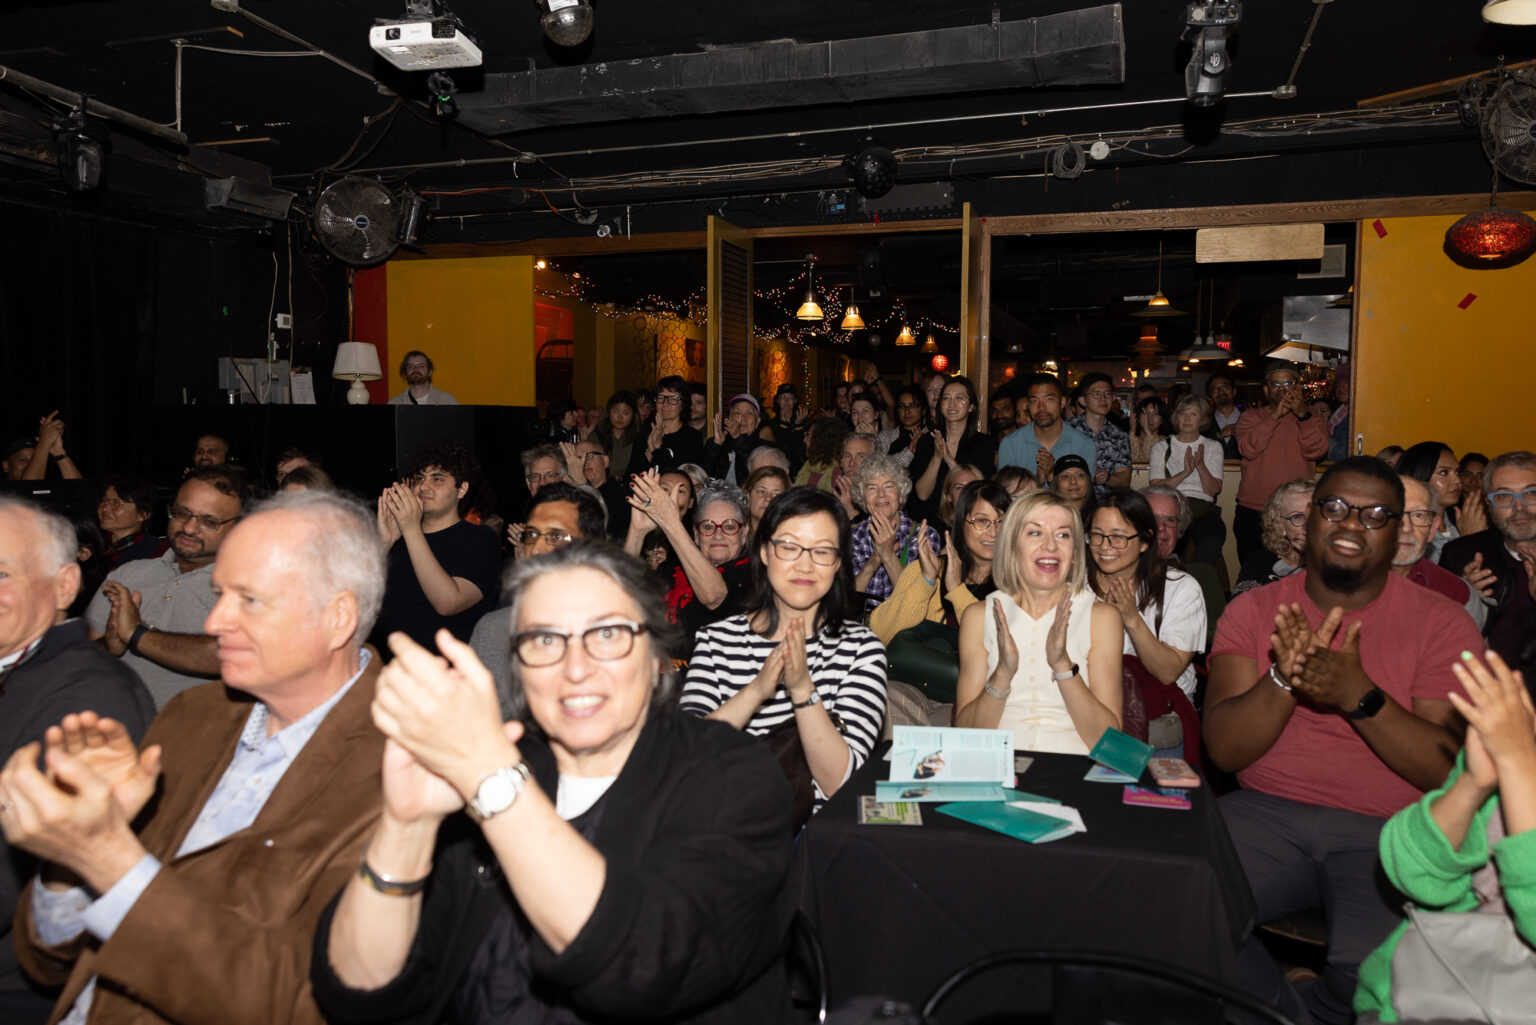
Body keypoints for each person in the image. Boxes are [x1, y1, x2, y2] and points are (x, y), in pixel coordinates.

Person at [315, 541, 794, 1025]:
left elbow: (641, 962)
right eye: (544, 640)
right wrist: (406, 825)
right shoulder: (491, 775)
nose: (576, 667)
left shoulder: (731, 773)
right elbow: (359, 992)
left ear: (655, 658)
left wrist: (492, 779)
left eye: (607, 634)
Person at [2, 490, 388, 1025]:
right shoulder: (193, 716)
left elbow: (300, 1003)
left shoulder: (399, 770)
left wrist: (108, 858)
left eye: (248, 600)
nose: (215, 623)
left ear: (338, 616)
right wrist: (70, 859)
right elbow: (47, 963)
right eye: (219, 595)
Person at [1203, 456, 1485, 1025]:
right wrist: (1285, 679)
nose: (1352, 524)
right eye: (1334, 508)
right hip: (1264, 812)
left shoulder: (1443, 622)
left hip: (1390, 827)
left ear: (1402, 529)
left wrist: (1359, 695)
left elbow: (1446, 771)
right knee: (1166, 916)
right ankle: (1285, 1004)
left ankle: (1313, 1000)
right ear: (1308, 522)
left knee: (1372, 977)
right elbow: (1226, 751)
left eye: (1376, 514)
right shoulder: (1254, 609)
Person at [0, 498, 155, 1023]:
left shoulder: (90, 696)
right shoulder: (17, 666)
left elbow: (17, 877)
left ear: (65, 586)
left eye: (1, 572)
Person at [1352, 650, 1536, 1024]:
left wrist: (1519, 767)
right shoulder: (1516, 735)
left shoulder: (1518, 754)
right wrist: (1472, 784)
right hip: (1419, 991)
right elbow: (1412, 874)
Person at [680, 488, 887, 811]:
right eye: (789, 547)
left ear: (837, 564)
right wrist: (756, 691)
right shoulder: (716, 641)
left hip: (817, 839)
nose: (805, 566)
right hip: (725, 830)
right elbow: (684, 762)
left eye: (822, 552)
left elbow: (840, 784)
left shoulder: (861, 649)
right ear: (764, 551)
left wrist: (803, 690)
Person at [954, 489, 1123, 754]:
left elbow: (1110, 744)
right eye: (1035, 533)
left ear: (1076, 552)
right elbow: (964, 736)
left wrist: (1063, 667)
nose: (1051, 546)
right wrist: (1002, 674)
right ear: (1012, 544)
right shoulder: (979, 616)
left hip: (1075, 768)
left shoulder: (1101, 617)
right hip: (996, 765)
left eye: (1063, 535)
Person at [85, 466, 255, 708]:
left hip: (186, 737)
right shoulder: (129, 572)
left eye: (209, 522)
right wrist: (109, 645)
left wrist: (136, 634)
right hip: (110, 728)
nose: (188, 528)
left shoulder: (249, 586)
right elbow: (79, 654)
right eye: (182, 513)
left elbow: (230, 654)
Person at [872, 481, 1011, 727]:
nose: (993, 531)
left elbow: (999, 650)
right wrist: (926, 580)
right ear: (961, 523)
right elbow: (879, 634)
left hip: (974, 694)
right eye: (981, 521)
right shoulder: (930, 568)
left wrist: (957, 591)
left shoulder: (1015, 586)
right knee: (889, 698)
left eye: (1001, 521)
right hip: (913, 685)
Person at [470, 482, 607, 689]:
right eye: (532, 535)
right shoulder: (493, 629)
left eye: (556, 537)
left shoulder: (615, 631)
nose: (536, 549)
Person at [373, 441, 500, 651]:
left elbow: (447, 603)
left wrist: (411, 529)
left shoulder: (480, 539)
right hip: (385, 664)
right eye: (419, 479)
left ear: (461, 489)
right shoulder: (397, 539)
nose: (424, 487)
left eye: (437, 479)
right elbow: (359, 602)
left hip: (442, 670)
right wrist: (383, 543)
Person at [1084, 491, 1206, 700]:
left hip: (1157, 711)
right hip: (1089, 701)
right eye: (1097, 535)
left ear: (1144, 542)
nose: (1105, 546)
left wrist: (1131, 618)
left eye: (1118, 537)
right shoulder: (1076, 585)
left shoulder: (1180, 589)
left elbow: (1167, 673)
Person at [1442, 451, 1536, 688]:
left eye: (1532, 494)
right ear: (1488, 504)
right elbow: (1440, 649)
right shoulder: (1461, 555)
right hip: (1484, 697)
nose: (1519, 507)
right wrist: (1464, 600)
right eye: (1504, 496)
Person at [630, 475, 753, 650]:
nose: (718, 535)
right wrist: (637, 531)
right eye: (708, 526)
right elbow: (623, 596)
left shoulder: (755, 575)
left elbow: (714, 597)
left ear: (744, 533)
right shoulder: (671, 568)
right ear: (696, 534)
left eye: (730, 526)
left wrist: (670, 522)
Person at [1233, 360, 1330, 564]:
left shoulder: (1313, 416)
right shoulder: (1251, 416)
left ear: (1298, 387)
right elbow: (1248, 449)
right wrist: (1274, 416)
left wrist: (1303, 416)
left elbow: (1317, 450)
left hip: (1298, 512)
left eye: (1287, 383)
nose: (1282, 389)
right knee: (1254, 570)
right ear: (1266, 390)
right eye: (1276, 384)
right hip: (1254, 509)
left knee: (1297, 571)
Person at [849, 453, 941, 613]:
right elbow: (847, 602)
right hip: (863, 628)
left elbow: (914, 603)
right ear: (863, 500)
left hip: (904, 631)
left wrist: (888, 554)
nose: (881, 494)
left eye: (888, 486)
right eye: (872, 488)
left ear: (901, 496)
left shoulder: (924, 536)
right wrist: (875, 559)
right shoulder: (853, 537)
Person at [1393, 475, 1485, 629]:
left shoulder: (1456, 593)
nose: (1406, 527)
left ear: (1432, 529)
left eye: (1418, 515)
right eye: (1395, 514)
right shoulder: (1344, 586)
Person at [1143, 484, 1225, 651]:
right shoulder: (1112, 575)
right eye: (1153, 519)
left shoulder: (1191, 582)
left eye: (1170, 520)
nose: (1161, 527)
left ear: (1180, 529)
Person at [1149, 395, 1227, 568]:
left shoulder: (1213, 447)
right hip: (1172, 505)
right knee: (1172, 548)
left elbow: (1213, 490)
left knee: (1212, 541)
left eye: (1193, 414)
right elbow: (1155, 487)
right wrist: (1184, 473)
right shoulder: (1162, 447)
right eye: (1183, 414)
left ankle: (1195, 581)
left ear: (1203, 420)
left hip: (1203, 508)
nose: (1187, 418)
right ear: (1176, 418)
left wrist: (1200, 466)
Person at [914, 376, 997, 520]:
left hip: (968, 520)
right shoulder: (927, 441)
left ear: (971, 406)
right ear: (940, 404)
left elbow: (977, 492)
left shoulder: (985, 444)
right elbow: (922, 494)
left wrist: (949, 460)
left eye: (959, 398)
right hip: (931, 522)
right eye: (946, 398)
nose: (952, 403)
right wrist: (937, 457)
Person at [997, 373, 1095, 490]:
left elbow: (1083, 498)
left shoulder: (1084, 445)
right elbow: (1005, 498)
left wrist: (1052, 480)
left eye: (1048, 399)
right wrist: (1039, 480)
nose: (1041, 407)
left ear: (1062, 402)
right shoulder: (1011, 444)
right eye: (1034, 400)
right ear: (1028, 405)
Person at [1234, 478, 1314, 595]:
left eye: (1314, 515)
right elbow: (1240, 607)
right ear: (1280, 525)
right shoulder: (1259, 561)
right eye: (1297, 517)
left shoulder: (1336, 563)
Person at [1397, 441, 1466, 562]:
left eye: (1458, 472)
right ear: (1421, 476)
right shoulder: (1409, 528)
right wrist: (1469, 541)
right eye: (1444, 472)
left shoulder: (1460, 520)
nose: (1457, 480)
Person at [1065, 372, 1132, 496]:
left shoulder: (1119, 435)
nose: (1103, 399)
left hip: (1106, 505)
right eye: (1096, 394)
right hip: (1073, 503)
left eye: (1107, 394)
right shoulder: (1067, 429)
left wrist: (1105, 478)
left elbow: (1125, 480)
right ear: (1083, 401)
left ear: (1113, 397)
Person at [96, 474, 167, 570]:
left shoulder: (156, 552)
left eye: (116, 503)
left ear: (142, 514)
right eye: (104, 500)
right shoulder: (94, 546)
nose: (105, 508)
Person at [641, 376, 704, 473]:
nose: (665, 404)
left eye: (673, 398)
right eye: (661, 397)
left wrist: (658, 448)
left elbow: (682, 477)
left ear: (683, 404)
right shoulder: (644, 434)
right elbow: (631, 477)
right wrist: (648, 455)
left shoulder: (692, 438)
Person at [702, 393, 766, 486]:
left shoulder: (764, 448)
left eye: (749, 414)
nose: (743, 418)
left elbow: (753, 473)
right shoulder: (719, 444)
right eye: (737, 413)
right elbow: (702, 476)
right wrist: (716, 445)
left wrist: (738, 438)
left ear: (757, 422)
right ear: (730, 418)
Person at [759, 383, 808, 476]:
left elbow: (802, 451)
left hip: (800, 472)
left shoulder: (804, 422)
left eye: (790, 397)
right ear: (777, 400)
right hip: (778, 472)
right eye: (783, 397)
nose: (786, 401)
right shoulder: (771, 424)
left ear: (795, 400)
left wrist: (798, 425)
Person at [592, 390, 642, 480]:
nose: (620, 417)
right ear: (608, 412)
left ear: (633, 415)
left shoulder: (639, 438)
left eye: (626, 413)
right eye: (615, 411)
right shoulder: (596, 435)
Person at [793, 416, 847, 492]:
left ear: (821, 442)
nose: (804, 440)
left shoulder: (838, 472)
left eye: (809, 436)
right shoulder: (808, 466)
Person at [831, 432, 876, 522]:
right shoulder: (836, 496)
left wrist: (850, 512)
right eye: (847, 456)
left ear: (874, 461)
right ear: (841, 462)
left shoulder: (881, 496)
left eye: (860, 456)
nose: (852, 463)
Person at [388, 350, 458, 406]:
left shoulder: (447, 401)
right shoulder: (394, 403)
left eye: (421, 366)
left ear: (429, 372)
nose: (415, 369)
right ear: (405, 373)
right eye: (410, 366)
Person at [741, 466, 789, 536]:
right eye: (761, 491)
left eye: (775, 494)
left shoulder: (790, 539)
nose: (768, 498)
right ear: (748, 497)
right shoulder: (735, 537)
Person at [936, 464, 983, 532]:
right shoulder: (936, 529)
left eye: (972, 487)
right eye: (959, 488)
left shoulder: (991, 526)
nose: (966, 492)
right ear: (949, 495)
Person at [1206, 373, 1242, 460]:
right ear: (1209, 397)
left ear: (1234, 391)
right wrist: (1218, 436)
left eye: (1225, 387)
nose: (1221, 392)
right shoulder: (1202, 422)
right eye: (1215, 389)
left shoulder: (1250, 418)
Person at [1127, 395, 1168, 463]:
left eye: (1155, 414)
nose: (1149, 418)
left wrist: (1148, 433)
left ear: (1162, 420)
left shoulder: (1166, 442)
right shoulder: (1127, 440)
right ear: (1137, 418)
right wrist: (1132, 432)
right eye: (1145, 413)